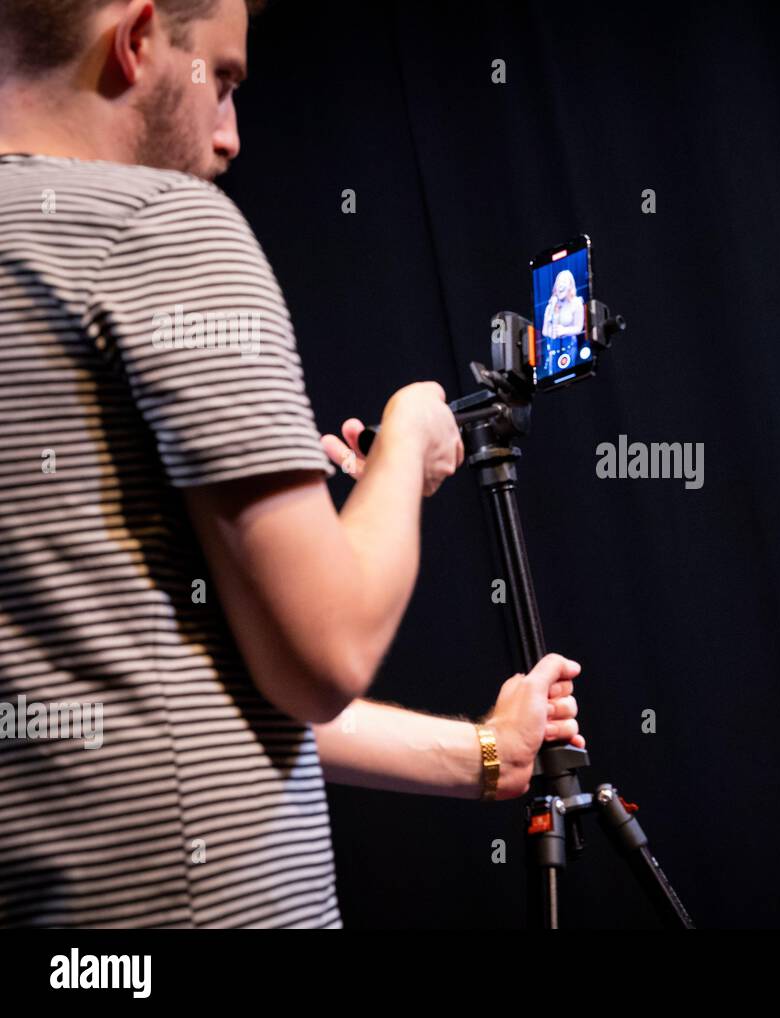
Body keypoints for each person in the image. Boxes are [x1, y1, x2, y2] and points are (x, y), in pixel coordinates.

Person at [0, 0, 581, 928]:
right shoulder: (166, 227)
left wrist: (485, 754)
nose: (228, 137)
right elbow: (325, 654)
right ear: (139, 38)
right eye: (221, 82)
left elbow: (138, 670)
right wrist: (404, 445)